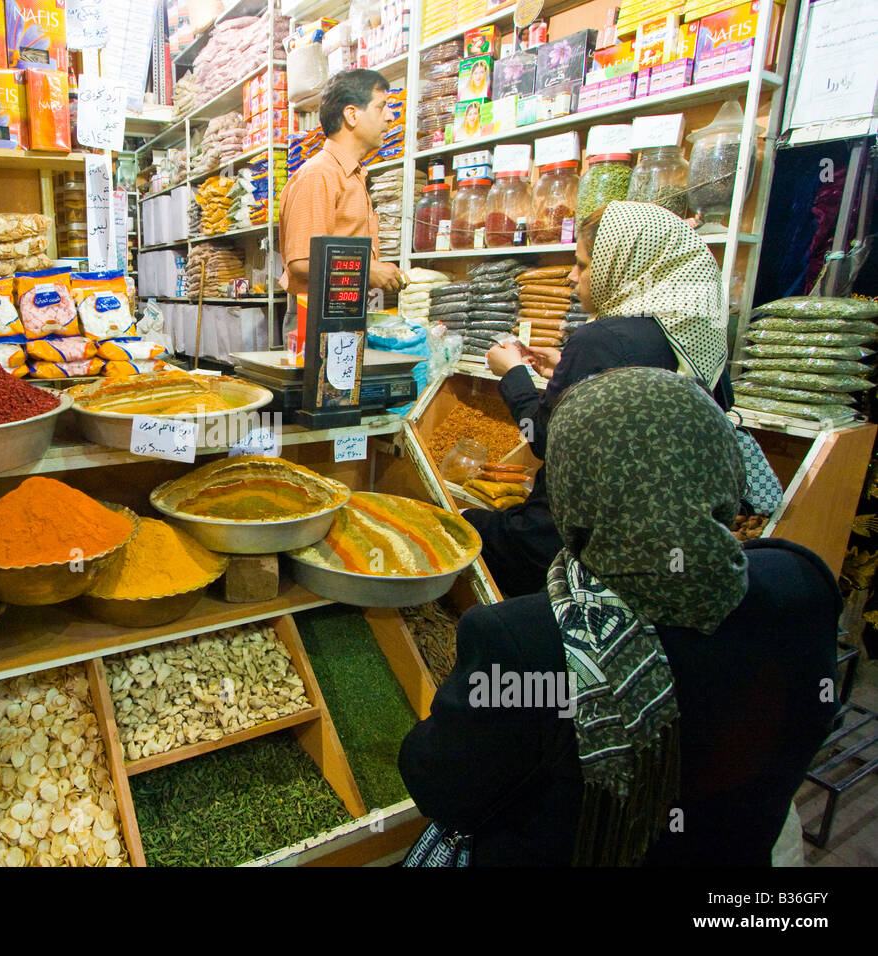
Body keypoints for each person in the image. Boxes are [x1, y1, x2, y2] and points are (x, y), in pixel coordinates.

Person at [399, 367, 839, 866]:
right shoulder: (800, 583)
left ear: (570, 494)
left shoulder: (528, 641)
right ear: (725, 471)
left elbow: (440, 788)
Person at [466, 200, 730, 597]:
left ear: (620, 267)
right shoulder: (698, 341)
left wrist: (513, 374)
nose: (573, 278)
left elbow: (545, 440)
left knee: (466, 523)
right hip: (649, 546)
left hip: (568, 545)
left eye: (583, 265)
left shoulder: (602, 338)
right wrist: (566, 367)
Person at [278, 69, 405, 297]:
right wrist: (367, 270)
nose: (390, 116)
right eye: (380, 107)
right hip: (315, 317)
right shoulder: (319, 174)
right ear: (352, 115)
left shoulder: (353, 174)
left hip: (341, 312)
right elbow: (301, 261)